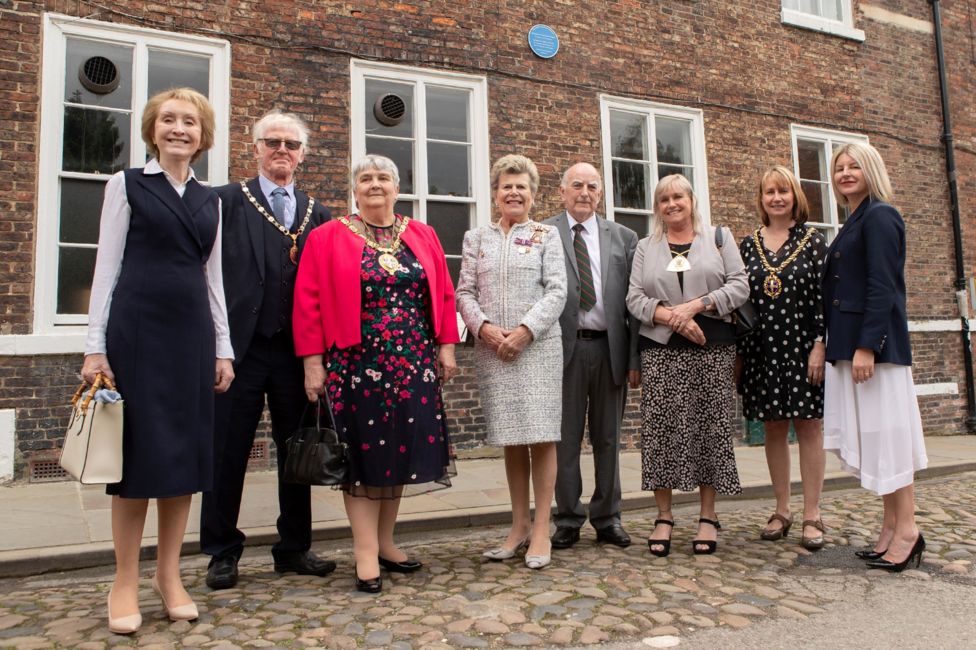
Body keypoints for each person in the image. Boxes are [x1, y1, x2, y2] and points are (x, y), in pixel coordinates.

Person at [81, 88, 234, 634]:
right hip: (137, 335)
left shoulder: (211, 200)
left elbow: (212, 280)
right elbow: (105, 269)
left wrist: (224, 349)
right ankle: (125, 579)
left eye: (189, 122)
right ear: (152, 129)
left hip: (191, 338)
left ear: (202, 134)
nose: (178, 129)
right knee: (138, 464)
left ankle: (168, 576)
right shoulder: (126, 185)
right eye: (168, 120)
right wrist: (94, 346)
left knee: (183, 463)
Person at [293, 154, 459, 594]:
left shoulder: (421, 233)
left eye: (383, 177)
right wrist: (312, 362)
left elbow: (443, 291)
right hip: (356, 365)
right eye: (365, 178)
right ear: (354, 189)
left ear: (396, 187)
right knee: (363, 459)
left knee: (398, 452)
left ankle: (386, 542)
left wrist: (446, 346)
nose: (374, 184)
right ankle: (365, 550)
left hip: (414, 363)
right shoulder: (327, 236)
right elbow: (307, 299)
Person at [200, 110, 334, 590]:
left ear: (303, 154)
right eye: (272, 141)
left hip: (297, 354)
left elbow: (326, 289)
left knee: (297, 452)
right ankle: (221, 550)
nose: (282, 150)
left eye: (292, 144)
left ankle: (294, 547)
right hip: (237, 350)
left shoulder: (318, 214)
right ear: (254, 147)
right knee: (227, 451)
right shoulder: (225, 202)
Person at [626, 174, 749, 556]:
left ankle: (707, 516)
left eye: (678, 196)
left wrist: (697, 306)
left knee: (710, 426)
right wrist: (672, 317)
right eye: (663, 199)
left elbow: (740, 285)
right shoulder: (647, 246)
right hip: (661, 348)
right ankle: (664, 516)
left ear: (692, 200)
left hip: (713, 347)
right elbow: (633, 298)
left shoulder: (719, 238)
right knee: (661, 430)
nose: (671, 204)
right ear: (657, 208)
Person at [456, 154, 567, 570]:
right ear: (496, 193)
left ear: (533, 195)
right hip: (492, 349)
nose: (514, 192)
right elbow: (463, 292)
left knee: (540, 435)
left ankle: (542, 527)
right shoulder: (476, 238)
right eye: (507, 186)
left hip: (536, 348)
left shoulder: (546, 236)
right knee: (512, 437)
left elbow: (557, 291)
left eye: (522, 186)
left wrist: (524, 330)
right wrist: (483, 328)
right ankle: (518, 524)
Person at [821, 142, 927, 572]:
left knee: (891, 442)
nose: (845, 173)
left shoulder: (881, 214)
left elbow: (883, 286)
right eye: (839, 167)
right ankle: (890, 527)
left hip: (875, 351)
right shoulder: (855, 219)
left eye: (854, 166)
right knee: (879, 441)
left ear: (871, 170)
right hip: (852, 346)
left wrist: (868, 345)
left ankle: (908, 530)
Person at [542, 162, 639, 551]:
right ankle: (567, 518)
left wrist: (634, 359)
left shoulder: (624, 237)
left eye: (592, 187)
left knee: (609, 438)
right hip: (561, 350)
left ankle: (607, 517)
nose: (584, 192)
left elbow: (633, 304)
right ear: (562, 191)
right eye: (577, 185)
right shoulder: (544, 231)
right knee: (564, 439)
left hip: (609, 348)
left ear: (601, 193)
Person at [737, 166, 828, 549]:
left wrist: (821, 345)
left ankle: (813, 513)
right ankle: (782, 508)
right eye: (769, 192)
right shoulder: (747, 244)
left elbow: (827, 298)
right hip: (762, 351)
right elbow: (739, 303)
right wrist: (739, 357)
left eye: (783, 191)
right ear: (761, 199)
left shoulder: (814, 241)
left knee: (809, 427)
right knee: (773, 428)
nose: (776, 198)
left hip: (805, 348)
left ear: (795, 196)